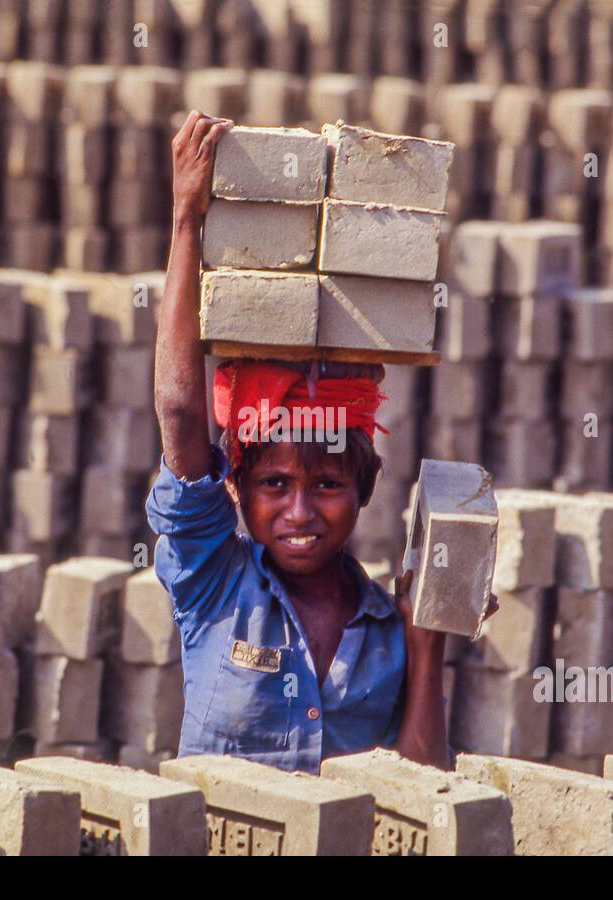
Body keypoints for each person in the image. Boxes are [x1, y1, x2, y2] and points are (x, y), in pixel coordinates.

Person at [147, 111, 494, 774]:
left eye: (327, 485)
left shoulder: (388, 632)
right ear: (236, 487)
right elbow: (180, 411)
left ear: (366, 487)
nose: (300, 512)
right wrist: (187, 220)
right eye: (274, 484)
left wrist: (427, 648)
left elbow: (421, 792)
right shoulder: (214, 582)